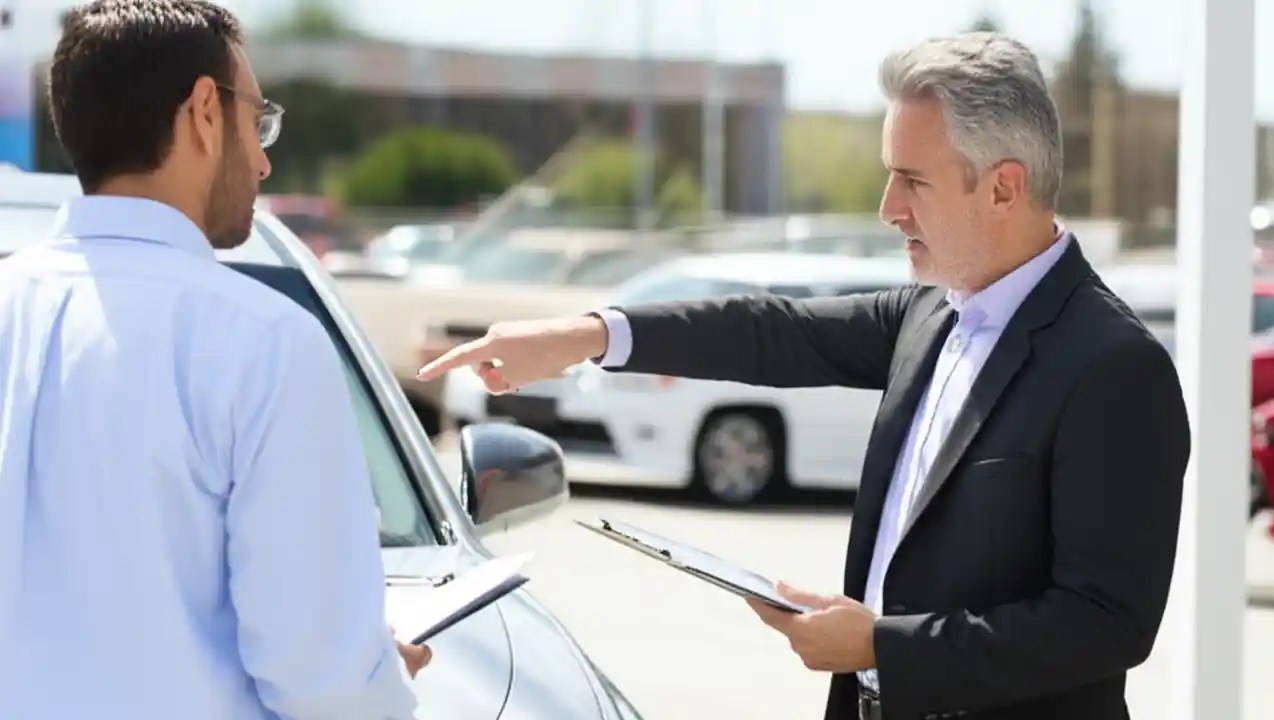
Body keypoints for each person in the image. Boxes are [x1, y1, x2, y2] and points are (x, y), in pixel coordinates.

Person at [417, 32, 1191, 720]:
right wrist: (585, 336)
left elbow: (1104, 623)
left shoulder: (1114, 368)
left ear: (1003, 187)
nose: (889, 207)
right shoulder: (931, 314)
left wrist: (885, 647)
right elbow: (770, 332)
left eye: (913, 180)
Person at [0, 1, 426, 718]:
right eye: (257, 123)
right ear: (203, 111)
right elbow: (321, 680)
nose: (262, 160)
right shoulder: (264, 342)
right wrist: (383, 673)